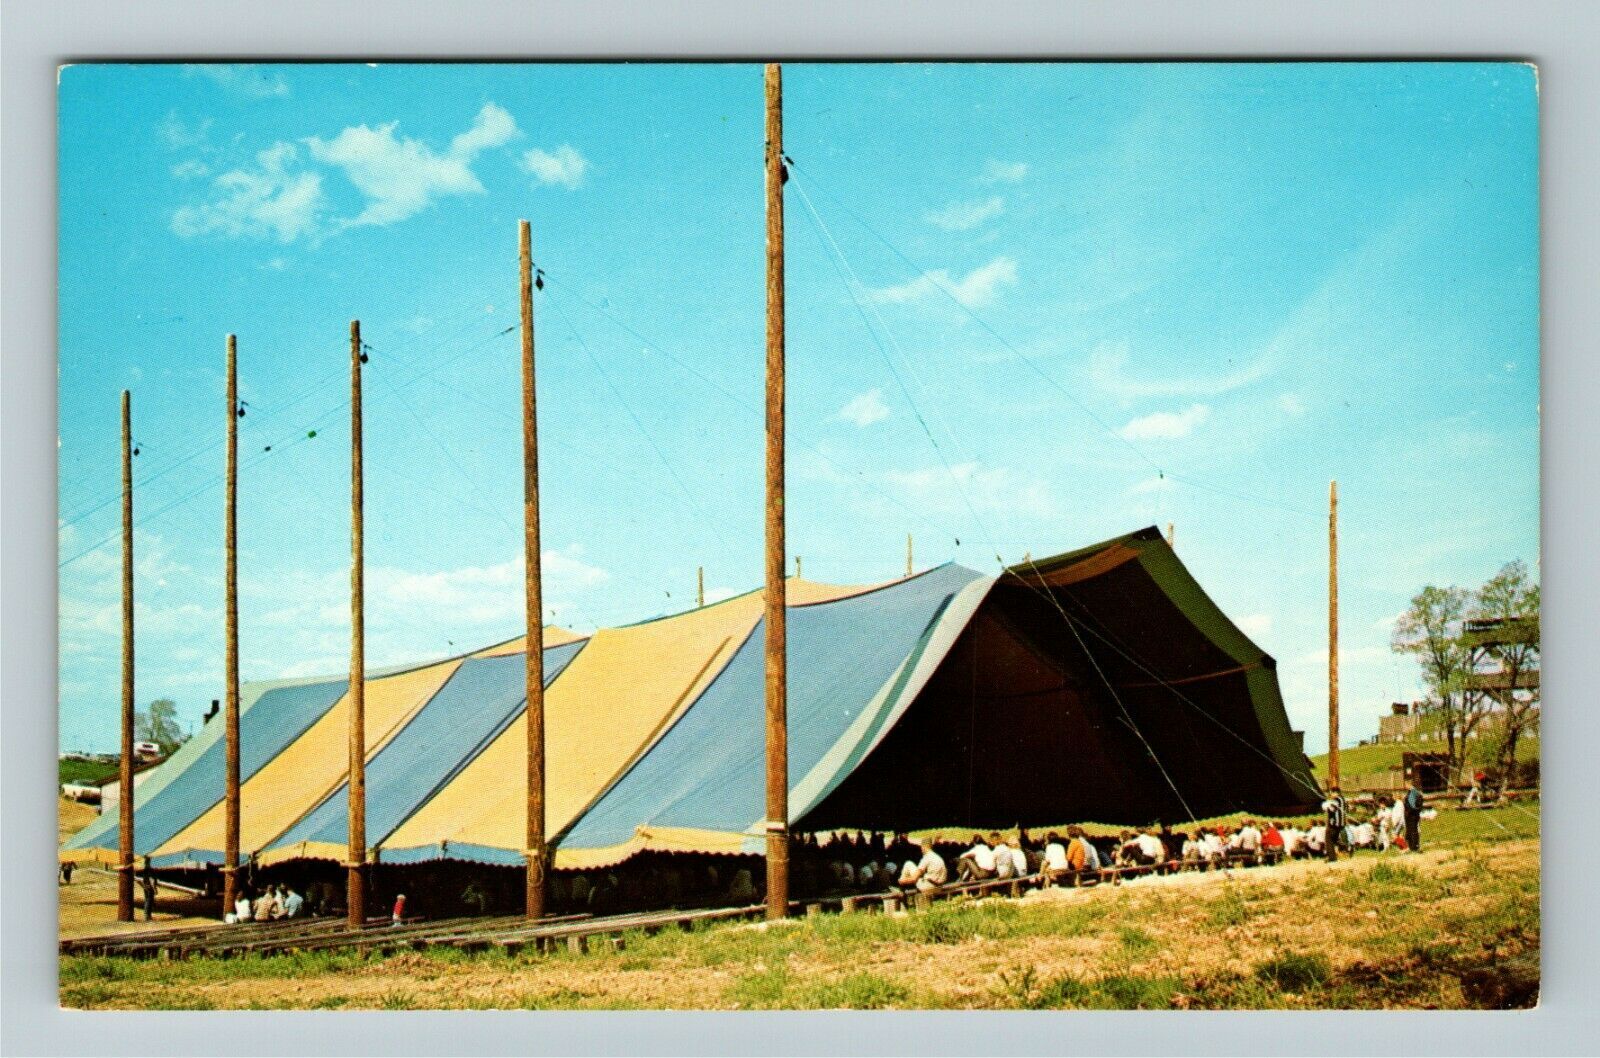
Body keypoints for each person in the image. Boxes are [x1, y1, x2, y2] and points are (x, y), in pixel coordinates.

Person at [1322, 788, 1346, 862]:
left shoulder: (1336, 800)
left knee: (1328, 839)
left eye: (1331, 793)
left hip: (1334, 823)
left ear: (1335, 792)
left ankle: (1332, 858)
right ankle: (1344, 847)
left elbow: (1330, 809)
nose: (1331, 795)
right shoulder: (1342, 799)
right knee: (1334, 839)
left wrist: (1326, 805)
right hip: (1341, 823)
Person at [1404, 778, 1426, 853]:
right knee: (1413, 830)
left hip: (1411, 815)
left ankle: (1414, 847)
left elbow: (1412, 805)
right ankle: (1413, 846)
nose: (1405, 786)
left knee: (1412, 830)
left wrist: (1408, 812)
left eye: (1405, 784)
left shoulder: (1412, 793)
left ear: (1408, 784)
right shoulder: (1416, 792)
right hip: (1415, 814)